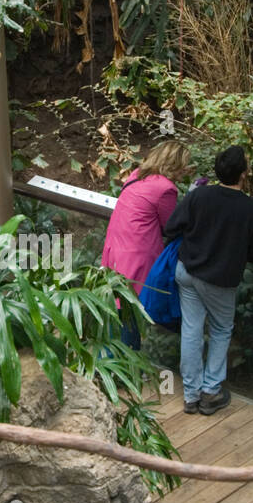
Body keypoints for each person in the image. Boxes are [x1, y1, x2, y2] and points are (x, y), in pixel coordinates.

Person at [162, 144, 253, 415]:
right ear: (244, 173)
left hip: (187, 271)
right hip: (218, 280)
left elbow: (172, 227)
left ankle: (190, 395)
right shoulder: (250, 209)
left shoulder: (199, 196)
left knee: (191, 328)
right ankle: (210, 392)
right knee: (221, 329)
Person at [101, 140, 192, 348]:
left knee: (118, 306)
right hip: (138, 254)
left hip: (116, 248)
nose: (186, 169)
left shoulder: (136, 175)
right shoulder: (166, 189)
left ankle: (112, 362)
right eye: (184, 164)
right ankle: (128, 365)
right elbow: (170, 226)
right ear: (174, 163)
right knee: (131, 311)